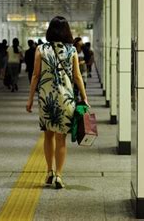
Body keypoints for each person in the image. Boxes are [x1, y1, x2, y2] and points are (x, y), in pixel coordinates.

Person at [26, 16, 89, 189]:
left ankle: (49, 172)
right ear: (67, 31)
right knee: (62, 139)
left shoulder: (41, 49)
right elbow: (77, 76)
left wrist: (30, 99)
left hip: (46, 98)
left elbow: (35, 76)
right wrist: (84, 97)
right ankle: (59, 175)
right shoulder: (72, 50)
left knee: (48, 135)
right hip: (66, 98)